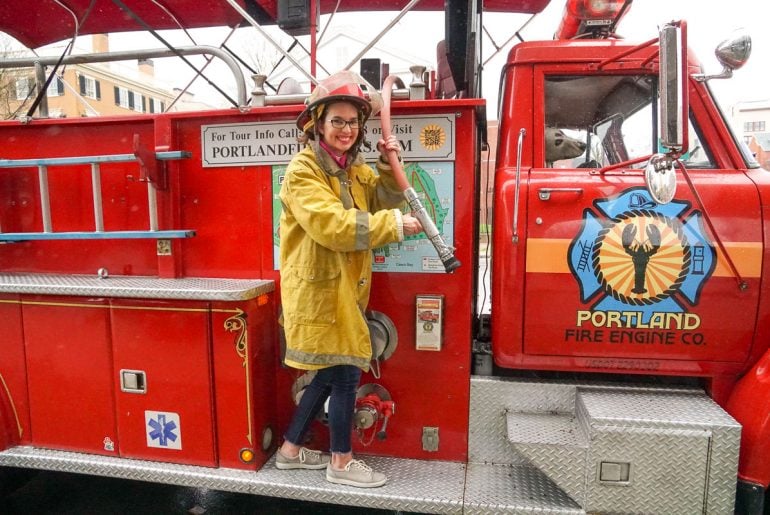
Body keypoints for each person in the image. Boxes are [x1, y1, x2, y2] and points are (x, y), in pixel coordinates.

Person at [275, 70, 423, 488]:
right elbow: (334, 227)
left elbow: (384, 197)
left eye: (353, 122)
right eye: (337, 120)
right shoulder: (304, 170)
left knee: (328, 373)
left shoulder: (354, 170)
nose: (346, 129)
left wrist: (387, 162)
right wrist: (395, 224)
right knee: (345, 374)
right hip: (321, 295)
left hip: (342, 293)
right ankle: (340, 463)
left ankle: (289, 451)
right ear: (318, 125)